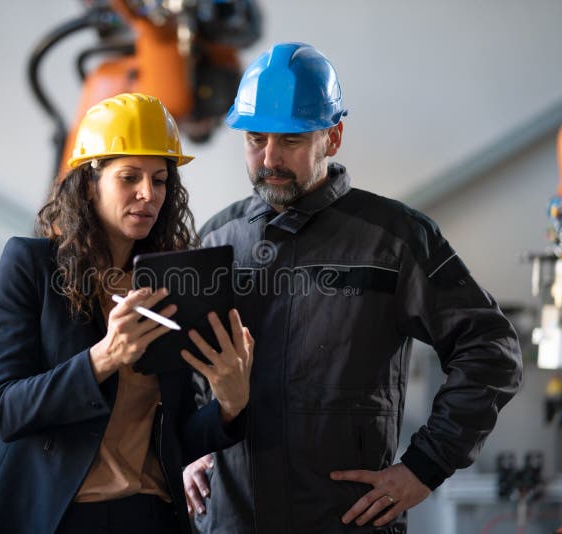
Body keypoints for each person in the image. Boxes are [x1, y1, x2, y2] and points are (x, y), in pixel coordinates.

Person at [182, 42, 523, 533]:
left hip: (347, 520)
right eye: (256, 138)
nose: (270, 158)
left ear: (333, 137)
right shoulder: (217, 239)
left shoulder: (396, 239)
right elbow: (188, 362)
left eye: (291, 140)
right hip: (236, 519)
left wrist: (423, 468)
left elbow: (491, 348)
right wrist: (190, 447)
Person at [0, 92, 253, 534]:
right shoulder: (30, 265)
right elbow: (5, 410)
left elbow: (179, 439)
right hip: (55, 517)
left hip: (150, 515)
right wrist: (104, 358)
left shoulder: (172, 282)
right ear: (90, 183)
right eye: (129, 177)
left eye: (160, 180)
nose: (147, 194)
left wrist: (231, 404)